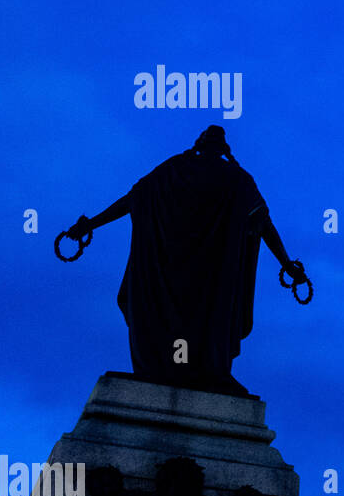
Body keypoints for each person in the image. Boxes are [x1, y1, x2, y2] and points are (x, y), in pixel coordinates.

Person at [64, 126, 306, 395]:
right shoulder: (237, 179)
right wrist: (286, 264)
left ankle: (176, 369)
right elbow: (264, 225)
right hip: (211, 279)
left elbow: (131, 200)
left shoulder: (175, 170)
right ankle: (205, 370)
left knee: (167, 317)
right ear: (224, 149)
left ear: (199, 145)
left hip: (167, 272)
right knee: (209, 321)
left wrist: (92, 225)